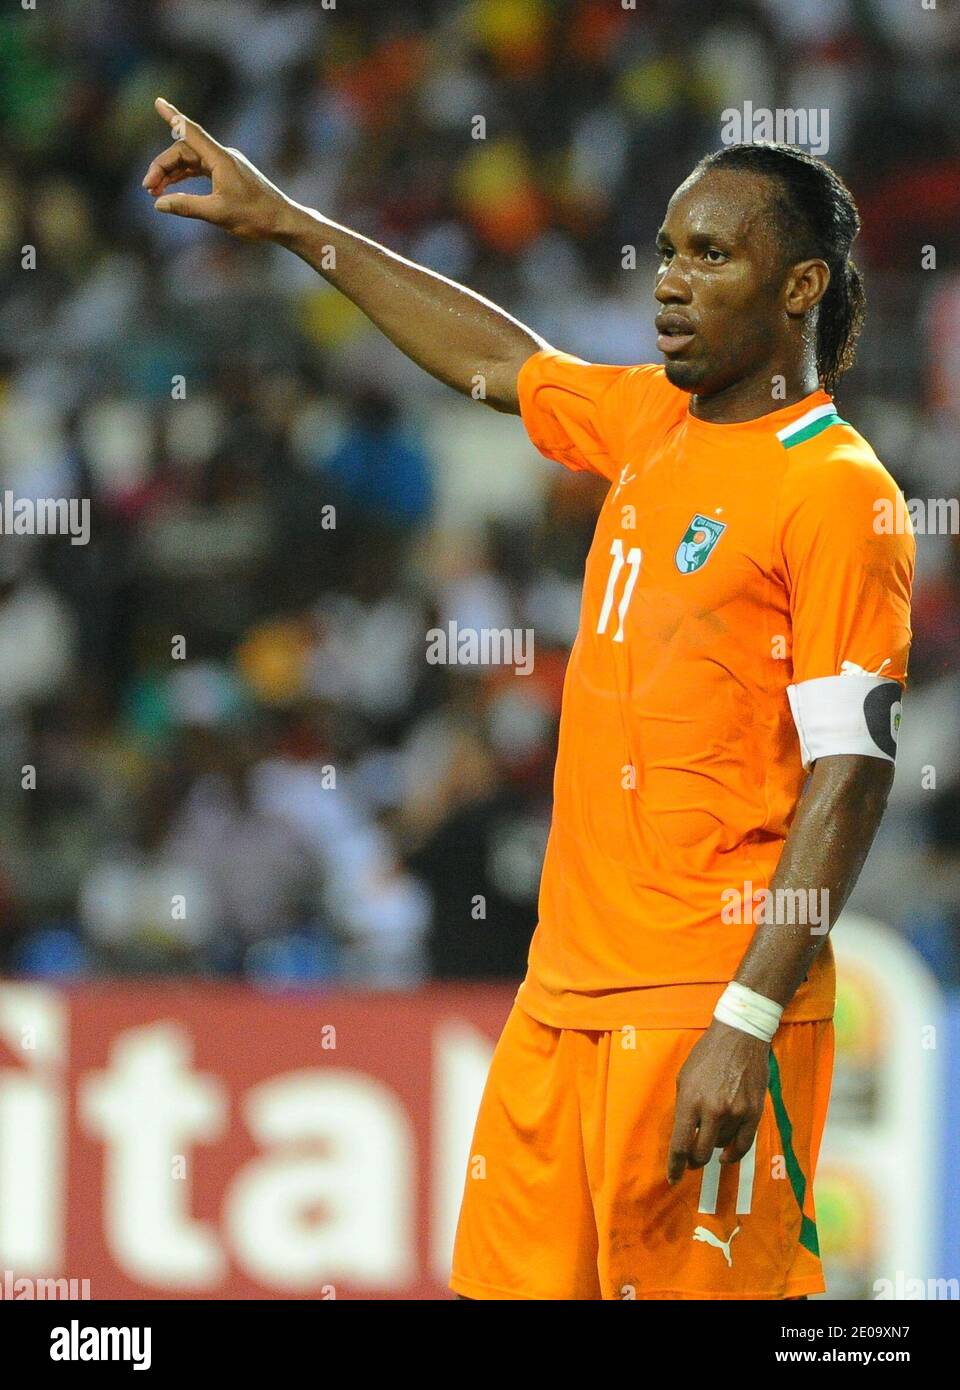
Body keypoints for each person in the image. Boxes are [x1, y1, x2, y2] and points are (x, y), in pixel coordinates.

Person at [143, 101, 914, 1300]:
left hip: (705, 1005)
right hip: (560, 1000)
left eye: (713, 256)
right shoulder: (653, 423)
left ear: (803, 284)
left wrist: (748, 1018)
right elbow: (496, 361)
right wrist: (290, 222)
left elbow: (852, 771)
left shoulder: (836, 493)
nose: (671, 282)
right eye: (667, 251)